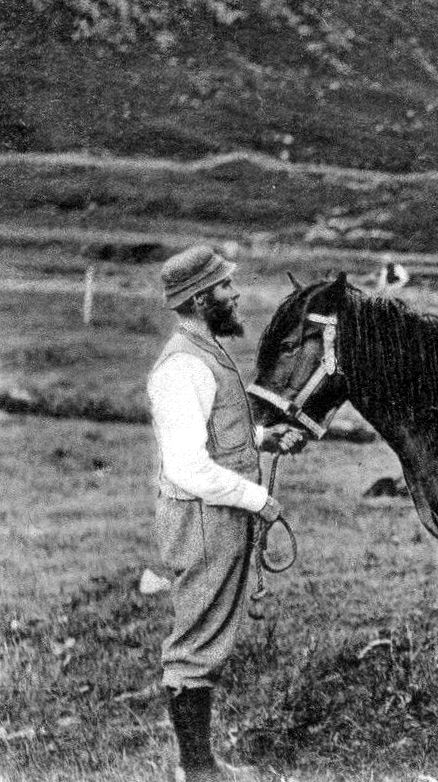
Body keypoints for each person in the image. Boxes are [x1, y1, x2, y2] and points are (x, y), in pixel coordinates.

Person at [147, 245, 305, 781]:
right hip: (202, 521)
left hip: (217, 517)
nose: (234, 295)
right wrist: (260, 500)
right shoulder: (182, 367)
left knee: (209, 638)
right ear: (198, 299)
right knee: (196, 643)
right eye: (224, 288)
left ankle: (203, 764)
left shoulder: (204, 351)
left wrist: (262, 437)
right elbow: (189, 467)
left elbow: (215, 435)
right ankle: (197, 772)